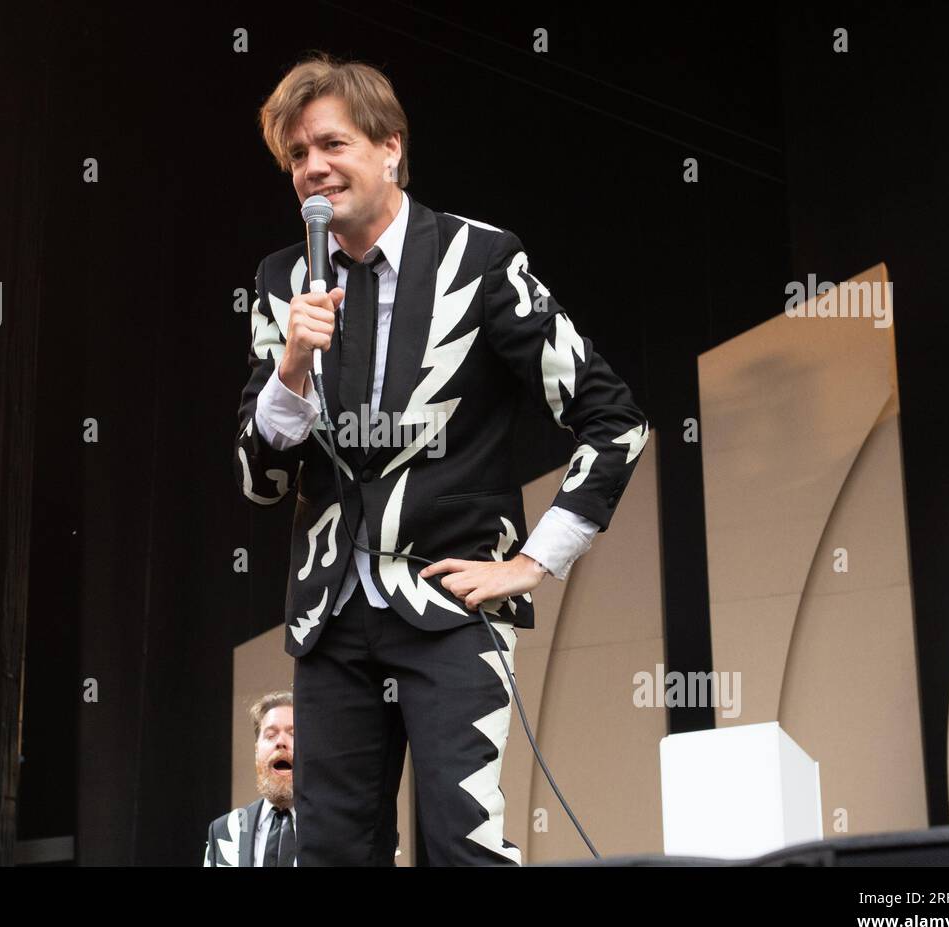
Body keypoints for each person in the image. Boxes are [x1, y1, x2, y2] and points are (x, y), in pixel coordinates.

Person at [234, 54, 649, 866]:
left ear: (390, 148)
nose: (312, 168)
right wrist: (288, 372)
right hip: (330, 619)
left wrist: (531, 564)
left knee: (462, 846)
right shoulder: (281, 282)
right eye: (295, 156)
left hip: (450, 608)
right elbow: (261, 479)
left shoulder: (482, 260)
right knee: (330, 853)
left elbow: (614, 421)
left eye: (331, 144)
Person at [203, 692, 296, 867]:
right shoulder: (223, 830)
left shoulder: (332, 825)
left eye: (293, 734)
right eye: (271, 735)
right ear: (256, 752)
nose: (281, 742)